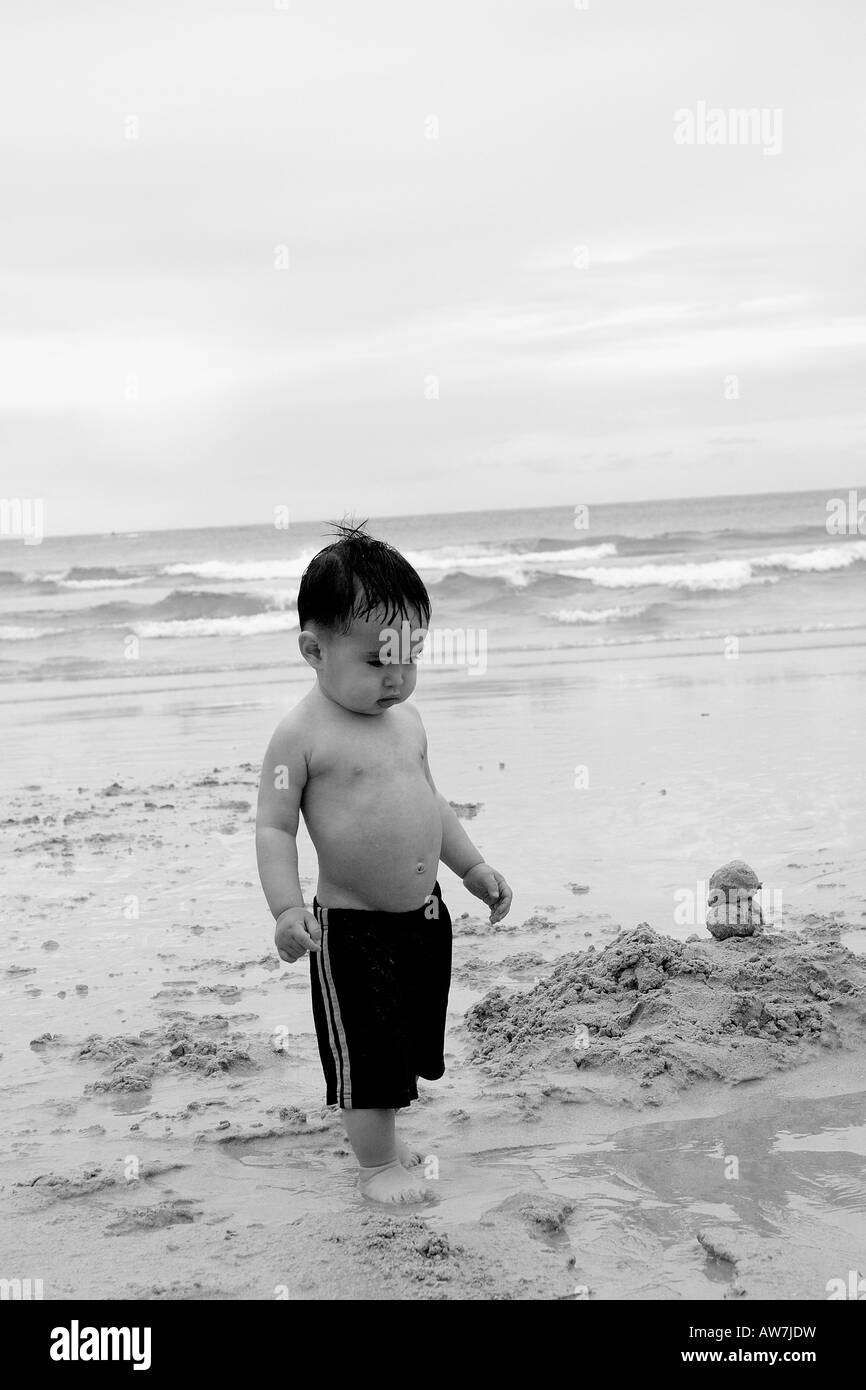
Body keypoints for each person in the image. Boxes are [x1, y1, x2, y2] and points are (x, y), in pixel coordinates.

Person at [256, 521, 512, 1202]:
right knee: (367, 1054)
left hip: (425, 917)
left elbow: (432, 804)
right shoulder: (301, 735)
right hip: (354, 927)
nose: (396, 677)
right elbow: (275, 827)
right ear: (315, 649)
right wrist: (285, 908)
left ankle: (388, 1139)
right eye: (376, 661)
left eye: (410, 657)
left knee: (406, 1043)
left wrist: (471, 867)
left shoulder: (408, 720)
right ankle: (376, 1166)